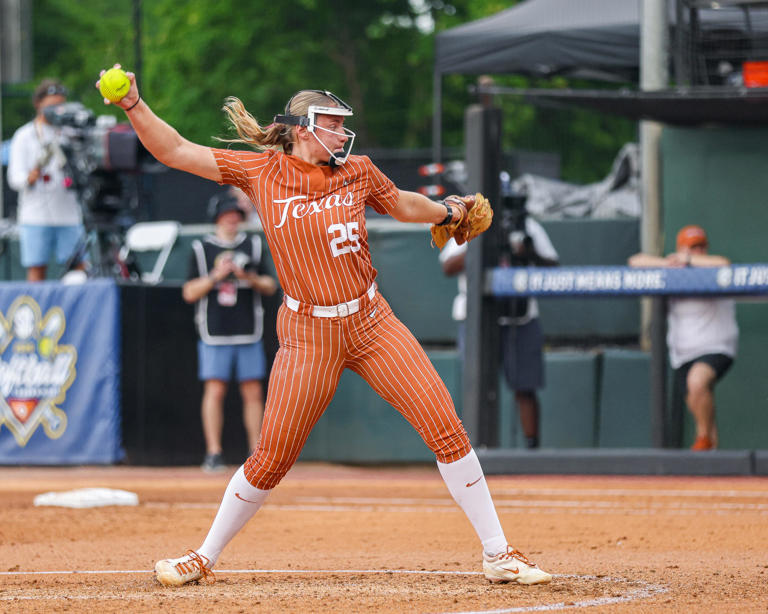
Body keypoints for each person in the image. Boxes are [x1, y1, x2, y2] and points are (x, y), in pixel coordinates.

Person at [97, 64, 552, 587]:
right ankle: (203, 555)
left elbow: (403, 203)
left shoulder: (356, 170)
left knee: (445, 427)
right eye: (332, 123)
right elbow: (176, 151)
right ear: (299, 127)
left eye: (341, 124)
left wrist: (446, 211)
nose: (341, 132)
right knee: (271, 458)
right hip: (308, 333)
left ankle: (498, 554)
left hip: (370, 320)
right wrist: (133, 104)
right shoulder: (262, 171)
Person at [439, 208, 558, 450]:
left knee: (525, 387)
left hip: (520, 315)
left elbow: (553, 266)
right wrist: (480, 246)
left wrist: (526, 251)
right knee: (478, 387)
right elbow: (448, 266)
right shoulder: (471, 225)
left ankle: (531, 449)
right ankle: (476, 449)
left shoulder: (527, 226)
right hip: (478, 317)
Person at [183, 191, 278, 472]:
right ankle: (214, 452)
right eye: (227, 217)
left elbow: (270, 285)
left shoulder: (254, 245)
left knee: (253, 391)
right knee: (215, 390)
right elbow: (189, 292)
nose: (232, 221)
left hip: (247, 329)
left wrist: (245, 275)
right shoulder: (202, 249)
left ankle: (256, 452)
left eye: (236, 217)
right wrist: (217, 276)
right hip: (215, 331)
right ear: (217, 218)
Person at [628, 224, 738, 451]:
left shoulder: (713, 268)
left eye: (699, 247)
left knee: (697, 383)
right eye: (690, 248)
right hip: (682, 353)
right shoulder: (673, 270)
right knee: (700, 412)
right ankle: (712, 462)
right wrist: (669, 263)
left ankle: (705, 441)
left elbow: (724, 264)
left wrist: (688, 261)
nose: (695, 251)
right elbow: (635, 262)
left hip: (716, 346)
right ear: (679, 248)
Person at [7, 79, 87, 281]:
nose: (56, 111)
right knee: (36, 268)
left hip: (69, 215)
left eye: (60, 106)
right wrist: (31, 177)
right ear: (38, 104)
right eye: (51, 106)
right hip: (35, 217)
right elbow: (14, 178)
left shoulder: (71, 133)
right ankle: (35, 311)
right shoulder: (24, 135)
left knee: (78, 269)